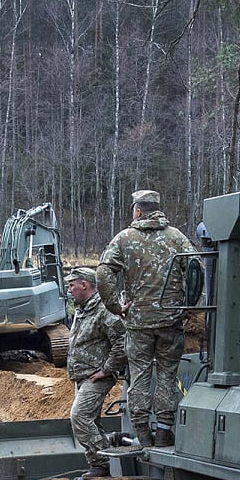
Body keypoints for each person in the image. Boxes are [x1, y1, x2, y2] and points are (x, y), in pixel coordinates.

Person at [96, 188, 197, 448]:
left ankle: (142, 432)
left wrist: (115, 306)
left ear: (138, 211)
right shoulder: (177, 237)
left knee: (140, 374)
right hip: (170, 322)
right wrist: (190, 304)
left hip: (138, 323)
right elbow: (196, 268)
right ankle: (163, 431)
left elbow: (103, 273)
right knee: (167, 375)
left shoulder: (124, 239)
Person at [64, 267, 127, 478]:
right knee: (91, 421)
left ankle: (102, 463)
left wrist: (106, 370)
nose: (69, 290)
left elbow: (121, 341)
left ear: (84, 285)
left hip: (96, 377)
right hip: (82, 377)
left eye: (72, 285)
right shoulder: (82, 309)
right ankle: (106, 463)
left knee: (79, 417)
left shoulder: (104, 310)